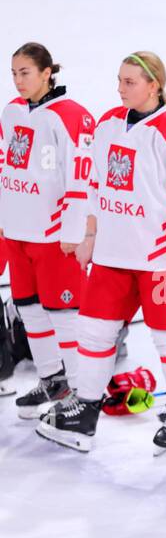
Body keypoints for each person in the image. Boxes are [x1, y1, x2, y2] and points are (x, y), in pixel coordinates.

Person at [37, 51, 166, 452]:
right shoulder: (110, 122)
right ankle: (86, 411)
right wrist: (90, 234)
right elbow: (94, 184)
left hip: (158, 260)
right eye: (119, 80)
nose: (120, 88)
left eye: (130, 82)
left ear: (154, 85)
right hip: (112, 255)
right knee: (93, 331)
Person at [0, 42, 93, 419]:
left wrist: (74, 231)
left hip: (54, 238)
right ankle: (51, 379)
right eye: (14, 73)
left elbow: (81, 176)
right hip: (17, 233)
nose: (19, 80)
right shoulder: (10, 112)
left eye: (25, 72)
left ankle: (79, 392)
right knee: (31, 311)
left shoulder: (71, 115)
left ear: (46, 73)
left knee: (65, 313)